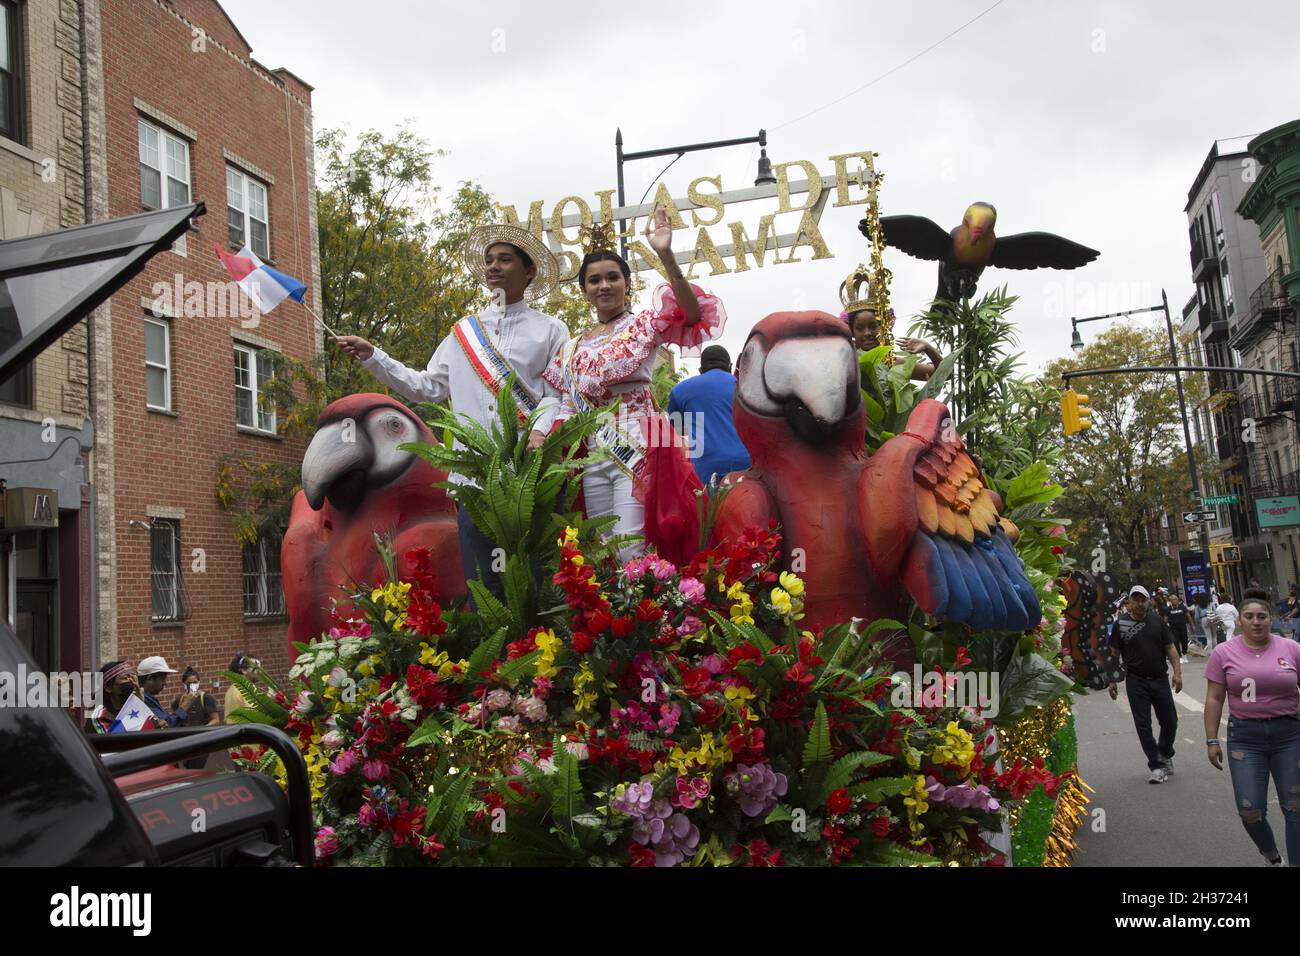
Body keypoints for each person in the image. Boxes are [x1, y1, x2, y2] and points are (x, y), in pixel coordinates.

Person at [336, 225, 568, 597]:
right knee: (485, 584)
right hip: (474, 479)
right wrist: (373, 356)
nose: (493, 267)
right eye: (489, 260)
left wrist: (539, 431)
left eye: (504, 259)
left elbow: (558, 395)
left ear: (528, 273)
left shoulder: (551, 330)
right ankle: (499, 656)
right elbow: (426, 386)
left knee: (538, 580)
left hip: (529, 474)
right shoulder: (463, 332)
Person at [545, 207, 723, 564]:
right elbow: (567, 404)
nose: (604, 285)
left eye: (613, 277)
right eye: (594, 280)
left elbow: (691, 315)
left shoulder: (643, 325)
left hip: (638, 445)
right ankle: (613, 621)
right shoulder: (571, 348)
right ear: (584, 290)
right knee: (601, 552)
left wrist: (666, 254)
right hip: (592, 453)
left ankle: (648, 616)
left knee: (631, 548)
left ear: (628, 284)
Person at [1203, 587, 1300, 866]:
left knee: (1295, 809)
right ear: (1240, 620)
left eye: (1262, 616)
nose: (1256, 621)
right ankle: (1271, 855)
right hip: (1245, 738)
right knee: (1250, 809)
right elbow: (1214, 697)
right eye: (1250, 616)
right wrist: (1211, 740)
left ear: (1272, 619)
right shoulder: (1223, 653)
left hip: (1289, 735)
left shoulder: (1291, 649)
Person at [1107, 585, 1183, 783]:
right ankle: (1156, 765)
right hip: (1136, 681)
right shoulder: (1120, 624)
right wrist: (1111, 680)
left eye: (1143, 599)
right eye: (1136, 599)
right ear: (1129, 602)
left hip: (1159, 679)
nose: (1140, 603)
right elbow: (1114, 654)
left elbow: (1171, 649)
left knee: (1170, 721)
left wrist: (1177, 673)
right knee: (1143, 725)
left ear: (1149, 601)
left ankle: (1165, 752)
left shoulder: (1157, 621)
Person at [666, 344, 751, 486]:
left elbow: (673, 432)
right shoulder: (745, 386)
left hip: (705, 464)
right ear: (729, 366)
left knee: (710, 507)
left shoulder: (680, 390)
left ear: (701, 369)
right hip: (745, 461)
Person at [85, 660, 156, 734]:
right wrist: (138, 706)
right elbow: (115, 739)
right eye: (125, 678)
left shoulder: (135, 704)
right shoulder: (99, 715)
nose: (132, 682)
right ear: (108, 688)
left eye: (134, 677)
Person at [137, 655, 188, 727]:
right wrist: (184, 707)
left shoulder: (148, 698)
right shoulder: (142, 700)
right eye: (162, 679)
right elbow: (167, 726)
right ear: (150, 679)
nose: (165, 683)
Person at [225, 651, 257, 723]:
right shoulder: (248, 688)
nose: (260, 672)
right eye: (255, 668)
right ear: (243, 670)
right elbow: (255, 717)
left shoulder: (231, 689)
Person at [1166, 592, 1190, 663]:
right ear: (1170, 601)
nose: (1174, 601)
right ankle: (1179, 656)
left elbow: (1188, 616)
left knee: (1184, 641)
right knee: (1176, 642)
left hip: (1183, 627)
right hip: (1173, 628)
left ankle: (1184, 654)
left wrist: (1192, 625)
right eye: (1172, 600)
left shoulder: (1182, 607)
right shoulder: (1168, 609)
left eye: (1175, 599)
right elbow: (1165, 618)